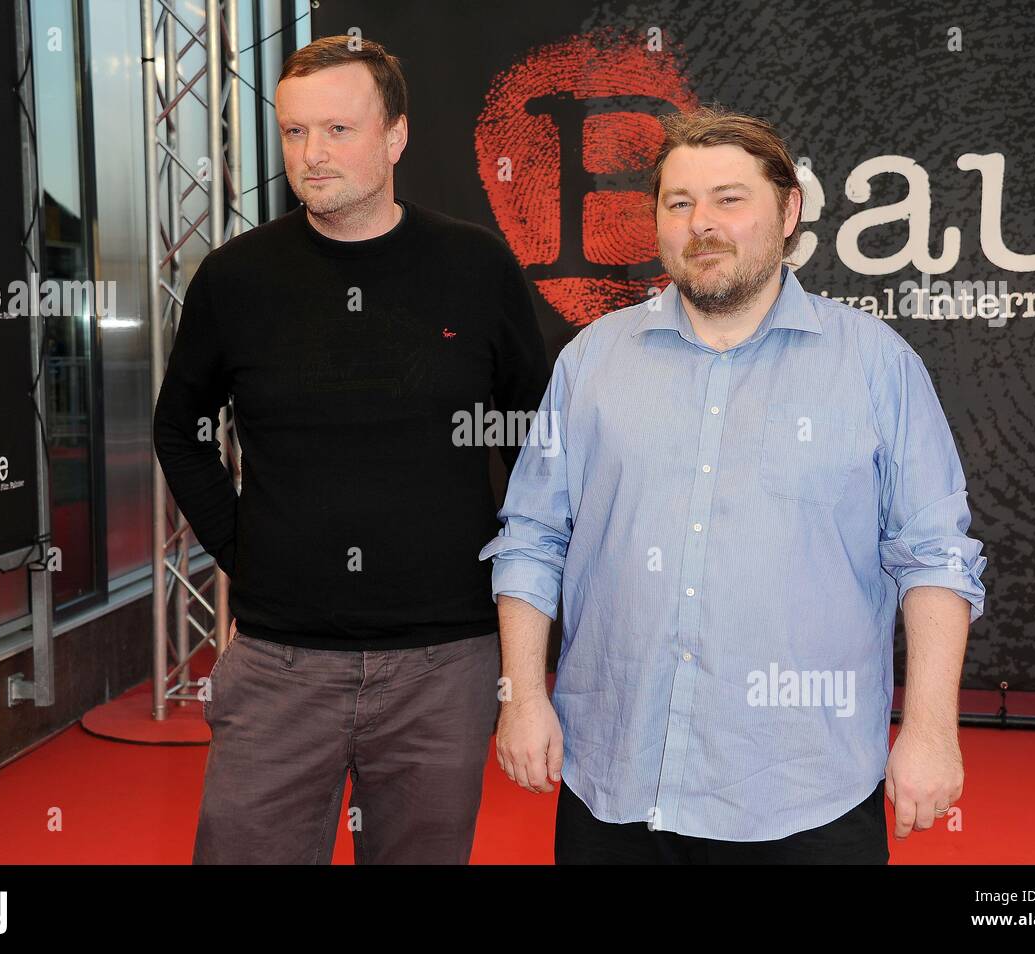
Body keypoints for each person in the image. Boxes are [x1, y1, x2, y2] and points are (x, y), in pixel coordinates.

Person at [481, 105, 987, 864]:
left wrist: (930, 731)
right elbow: (532, 538)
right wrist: (522, 697)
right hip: (617, 781)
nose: (701, 224)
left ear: (788, 212)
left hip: (805, 794)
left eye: (729, 199)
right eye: (678, 203)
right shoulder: (590, 363)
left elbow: (935, 557)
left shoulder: (877, 366)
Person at [153, 35, 548, 864]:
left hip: (446, 665)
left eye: (337, 129)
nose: (311, 154)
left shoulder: (475, 267)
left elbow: (536, 445)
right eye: (294, 133)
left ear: (395, 136)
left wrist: (531, 640)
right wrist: (241, 548)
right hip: (278, 662)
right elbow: (179, 430)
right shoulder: (235, 279)